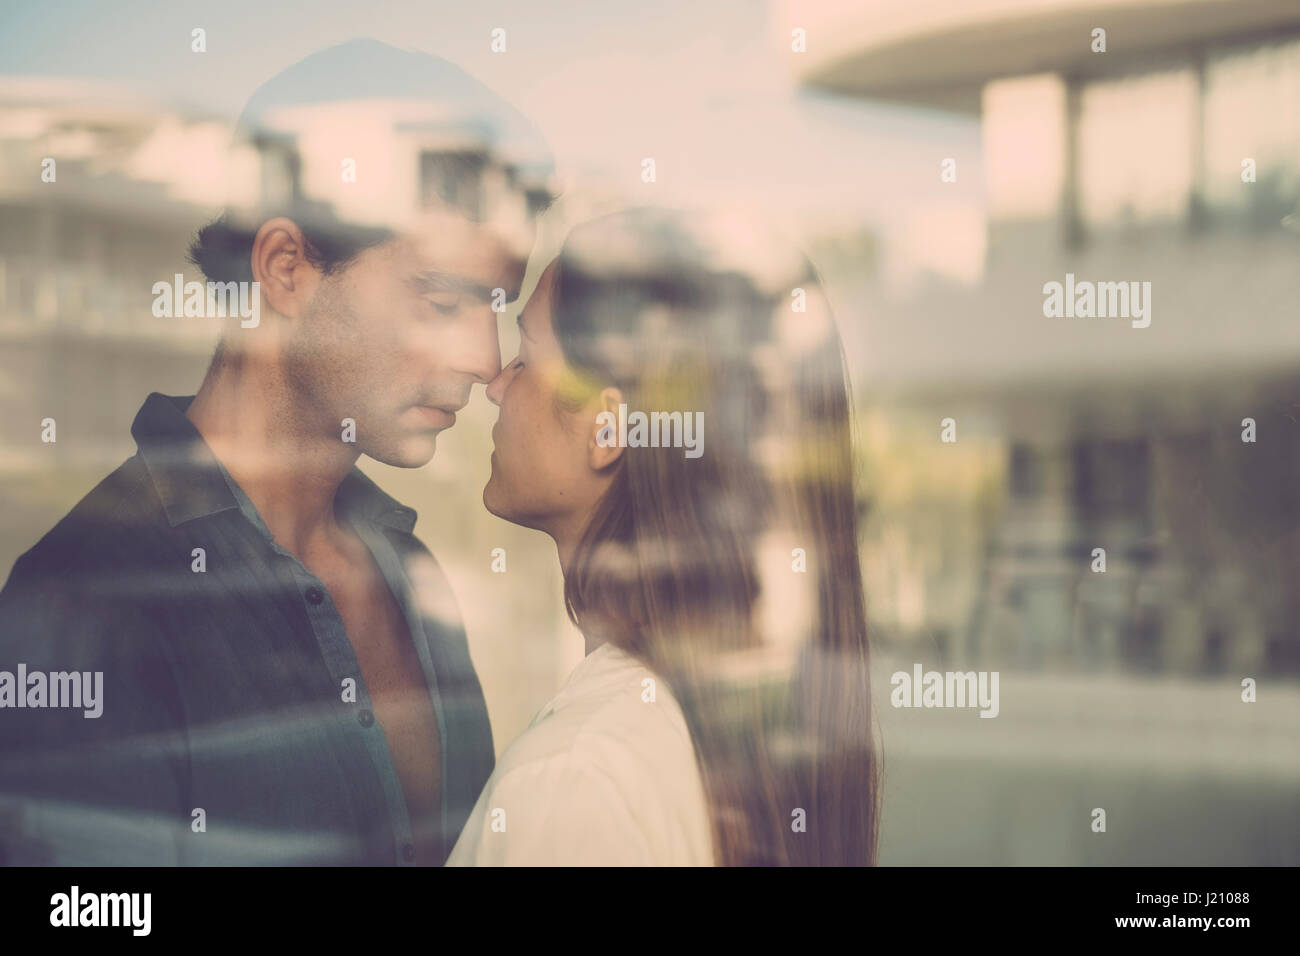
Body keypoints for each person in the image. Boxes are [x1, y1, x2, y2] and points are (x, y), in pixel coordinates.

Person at [0, 38, 554, 866]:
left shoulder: (411, 568)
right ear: (286, 270)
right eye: (442, 301)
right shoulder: (82, 602)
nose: (483, 357)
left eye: (496, 307)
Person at [447, 207, 881, 866]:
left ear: (607, 430)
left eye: (528, 354)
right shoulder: (749, 728)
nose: (496, 384)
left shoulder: (572, 780)